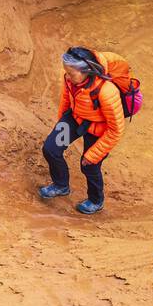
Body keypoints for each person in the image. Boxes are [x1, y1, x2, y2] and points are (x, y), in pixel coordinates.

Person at [38, 47, 125, 215]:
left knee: (89, 166)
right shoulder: (71, 80)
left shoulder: (107, 92)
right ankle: (61, 185)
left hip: (98, 129)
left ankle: (95, 200)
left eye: (71, 73)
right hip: (75, 118)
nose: (67, 77)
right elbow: (66, 99)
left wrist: (93, 155)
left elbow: (116, 129)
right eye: (67, 72)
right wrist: (61, 124)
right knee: (51, 149)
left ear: (87, 71)